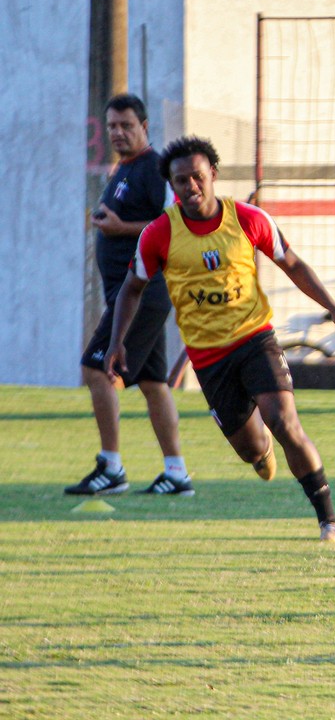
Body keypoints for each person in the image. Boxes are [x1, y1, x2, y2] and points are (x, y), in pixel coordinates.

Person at [104, 136, 335, 542]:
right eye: (181, 180)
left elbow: (292, 264)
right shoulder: (159, 234)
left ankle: (329, 522)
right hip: (209, 358)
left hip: (255, 338)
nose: (191, 186)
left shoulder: (247, 219)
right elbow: (132, 288)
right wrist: (117, 341)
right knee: (251, 451)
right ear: (172, 185)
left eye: (197, 176)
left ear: (213, 175)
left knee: (284, 421)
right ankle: (261, 450)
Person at [66, 94, 190, 497]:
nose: (117, 133)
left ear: (145, 127)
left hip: (142, 294)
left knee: (96, 369)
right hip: (129, 295)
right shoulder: (125, 169)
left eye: (126, 125)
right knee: (153, 382)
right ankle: (176, 473)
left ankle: (112, 467)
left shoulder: (156, 169)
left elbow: (174, 226)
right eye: (112, 126)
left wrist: (121, 229)